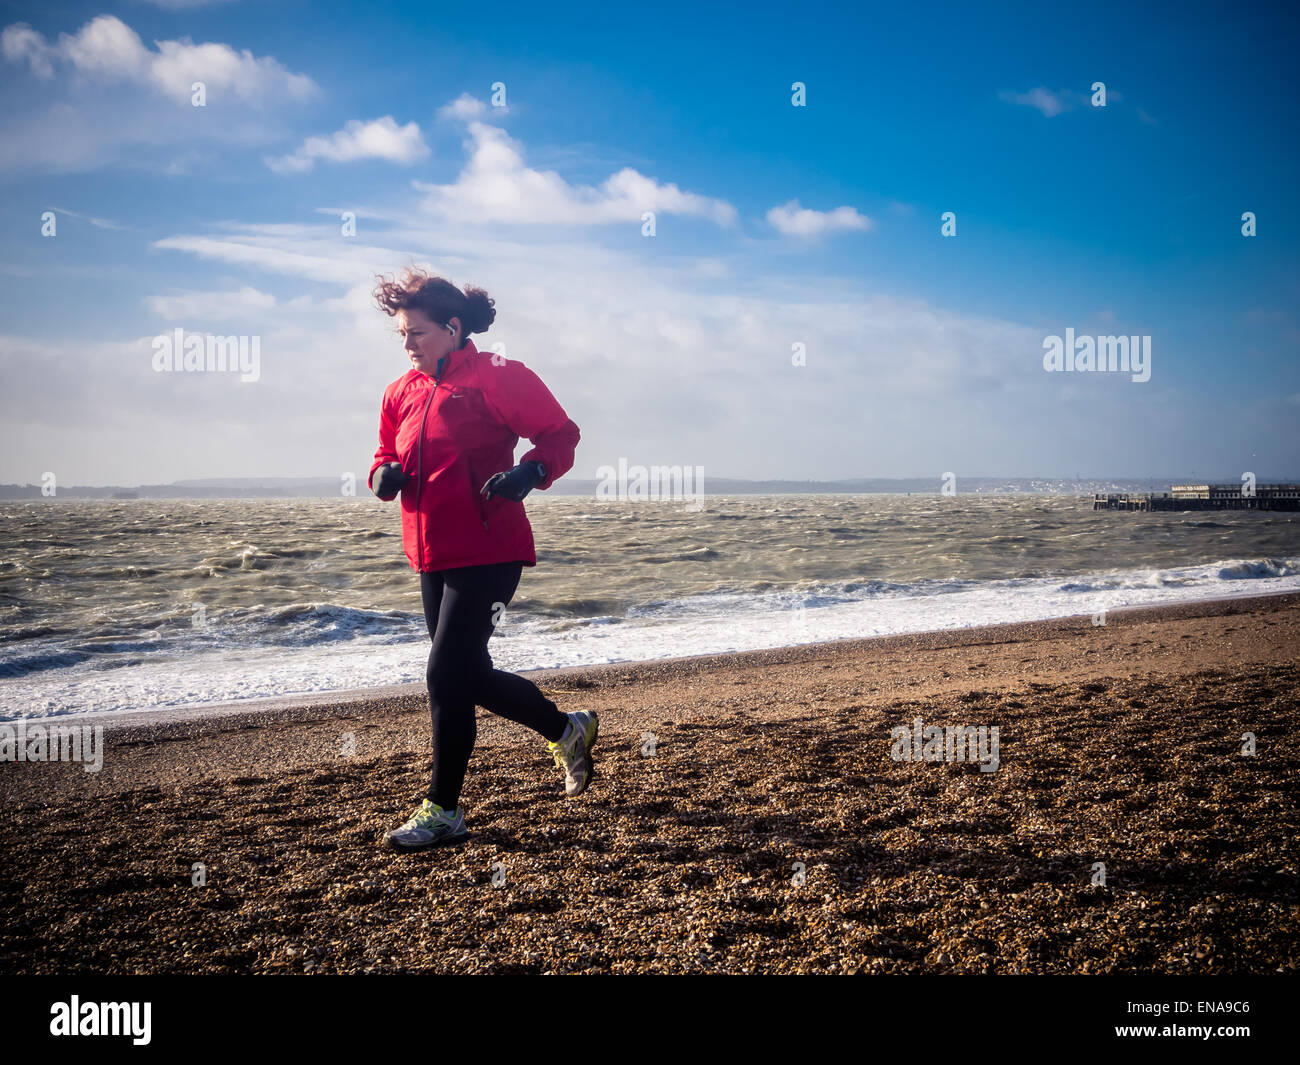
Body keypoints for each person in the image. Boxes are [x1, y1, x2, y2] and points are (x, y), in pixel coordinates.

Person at [367, 268, 595, 851]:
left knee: (445, 674)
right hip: (429, 553)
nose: (407, 343)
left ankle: (443, 810)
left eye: (415, 332)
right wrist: (382, 475)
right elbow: (383, 453)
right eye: (401, 334)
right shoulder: (401, 392)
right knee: (462, 676)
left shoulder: (500, 377)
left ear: (451, 327)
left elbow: (560, 435)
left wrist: (531, 471)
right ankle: (566, 730)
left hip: (490, 549)